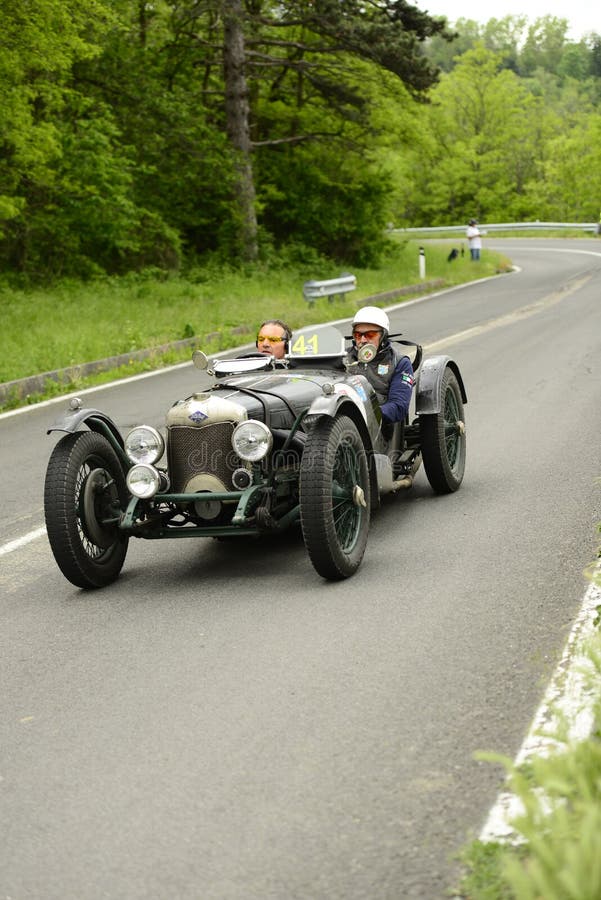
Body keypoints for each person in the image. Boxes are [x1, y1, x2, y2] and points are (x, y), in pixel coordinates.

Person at [348, 306, 415, 423]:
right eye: (358, 335)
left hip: (378, 426)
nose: (363, 340)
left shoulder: (399, 362)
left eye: (370, 335)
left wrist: (365, 415)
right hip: (340, 420)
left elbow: (398, 407)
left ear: (383, 336)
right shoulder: (341, 358)